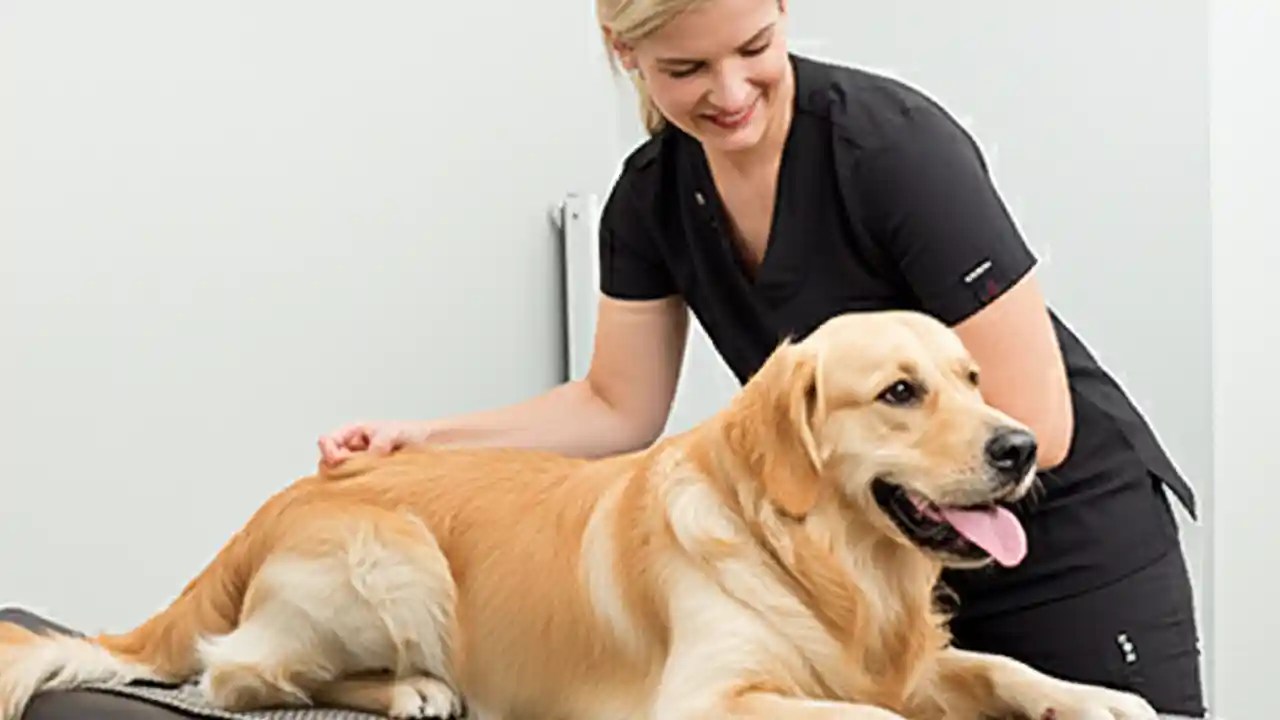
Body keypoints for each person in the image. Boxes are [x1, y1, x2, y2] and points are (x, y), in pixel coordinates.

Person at [317, 0, 1206, 715]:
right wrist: (426, 438)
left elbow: (1037, 422)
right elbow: (615, 406)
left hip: (1054, 537)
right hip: (874, 560)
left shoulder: (892, 151)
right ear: (624, 53)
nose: (731, 90)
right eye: (686, 69)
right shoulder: (651, 198)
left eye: (754, 47)